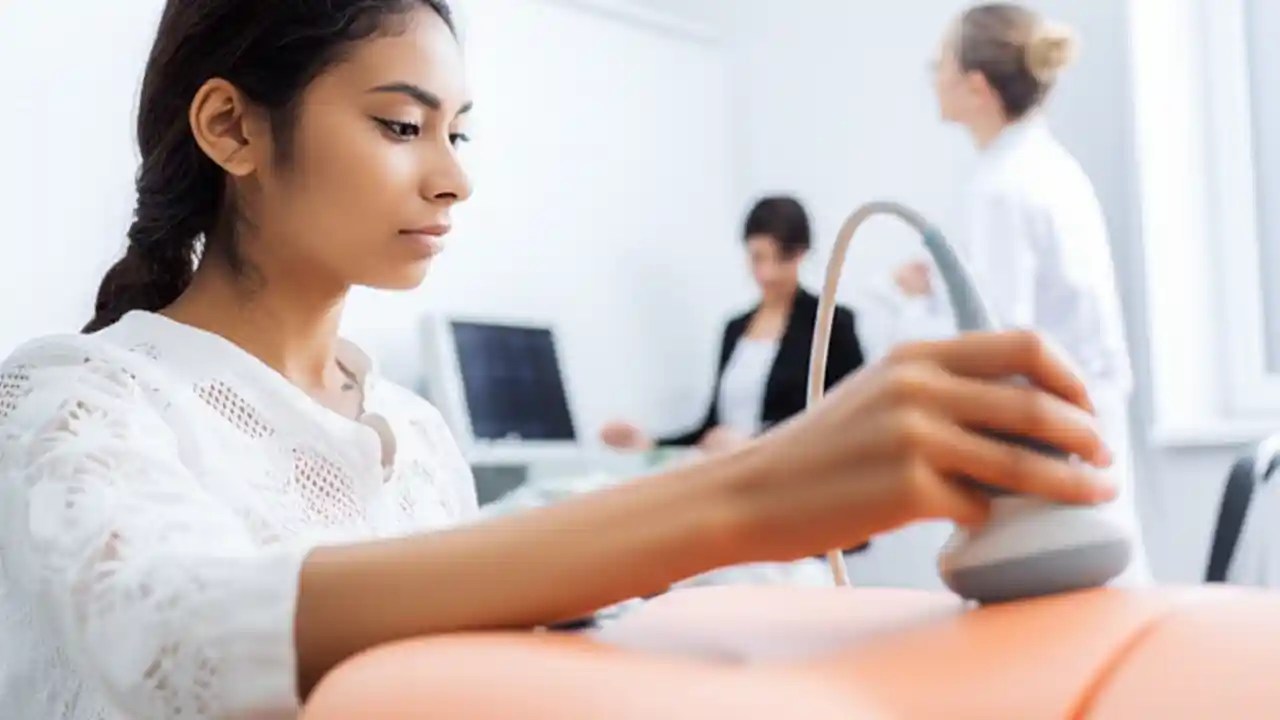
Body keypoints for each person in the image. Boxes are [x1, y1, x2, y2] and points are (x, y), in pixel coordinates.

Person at [0, 2, 1119, 717]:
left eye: (458, 131)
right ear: (232, 129)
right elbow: (171, 633)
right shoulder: (78, 397)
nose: (452, 178)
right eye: (400, 127)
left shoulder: (417, 438)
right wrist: (741, 495)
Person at [930, 2, 1152, 583]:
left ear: (975, 85)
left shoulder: (999, 189)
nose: (932, 76)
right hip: (1086, 437)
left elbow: (997, 350)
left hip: (1053, 456)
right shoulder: (1050, 168)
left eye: (939, 63)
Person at [600, 196, 865, 456]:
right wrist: (652, 444)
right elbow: (712, 429)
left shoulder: (831, 324)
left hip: (792, 476)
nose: (767, 272)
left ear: (801, 253)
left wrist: (754, 441)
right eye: (758, 258)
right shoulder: (734, 329)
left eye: (780, 259)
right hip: (730, 474)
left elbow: (849, 418)